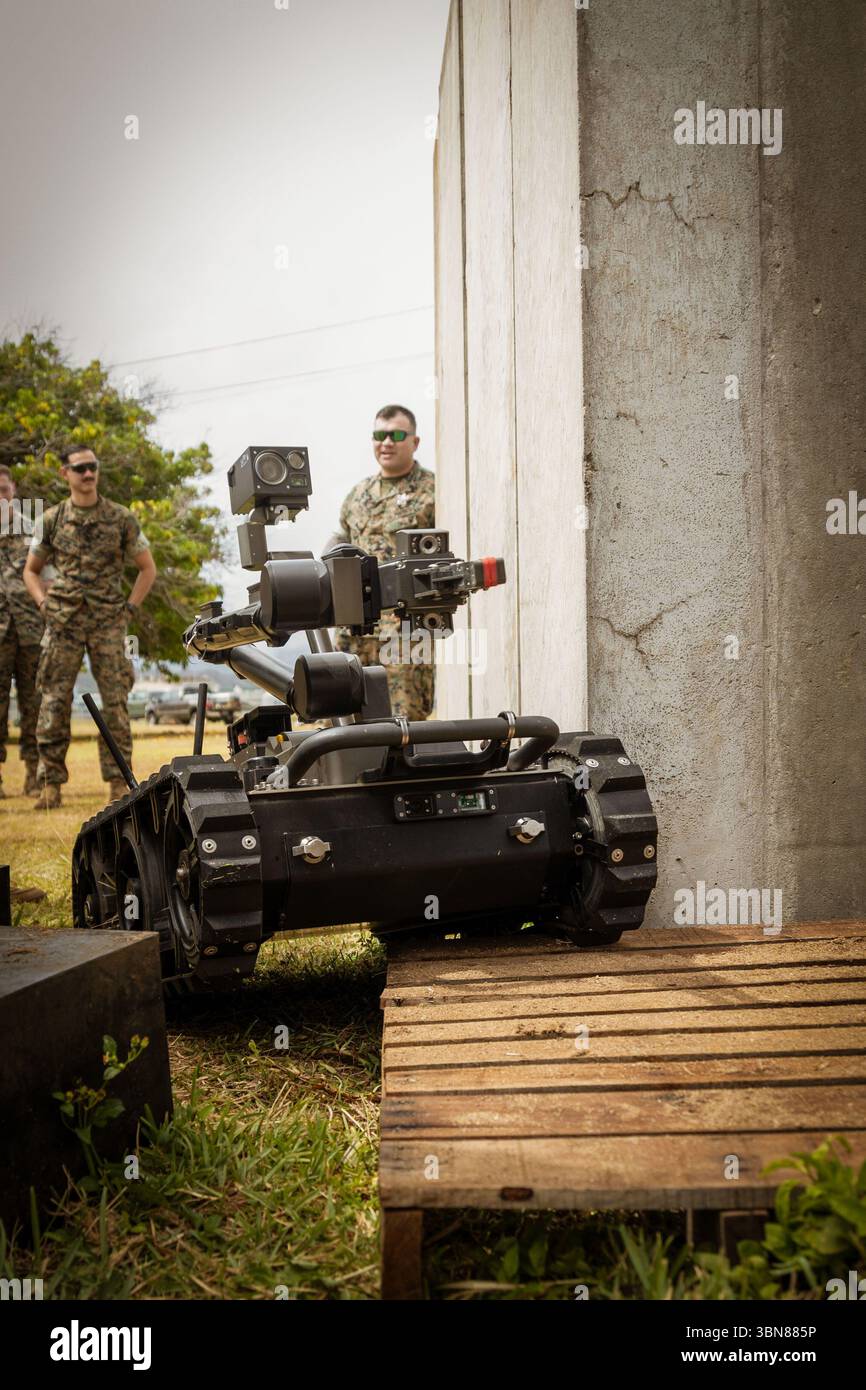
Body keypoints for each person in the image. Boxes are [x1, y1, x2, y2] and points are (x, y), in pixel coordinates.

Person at [23, 446, 157, 809]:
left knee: (115, 704)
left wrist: (129, 608)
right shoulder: (50, 519)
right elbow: (31, 572)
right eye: (80, 468)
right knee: (52, 700)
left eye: (93, 467)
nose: (88, 474)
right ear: (65, 473)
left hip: (107, 623)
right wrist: (42, 603)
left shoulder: (120, 518)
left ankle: (118, 782)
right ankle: (50, 784)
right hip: (62, 622)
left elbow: (148, 568)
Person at [330, 405, 435, 720]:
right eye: (379, 435)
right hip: (357, 627)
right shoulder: (358, 495)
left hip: (406, 629)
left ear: (414, 442)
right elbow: (340, 543)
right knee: (345, 716)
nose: (386, 442)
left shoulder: (433, 490)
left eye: (396, 435)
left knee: (404, 722)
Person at [0, 466, 44, 797]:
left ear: (13, 489)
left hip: (31, 631)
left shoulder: (33, 531)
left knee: (34, 704)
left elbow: (50, 577)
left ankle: (34, 774)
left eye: (4, 489)